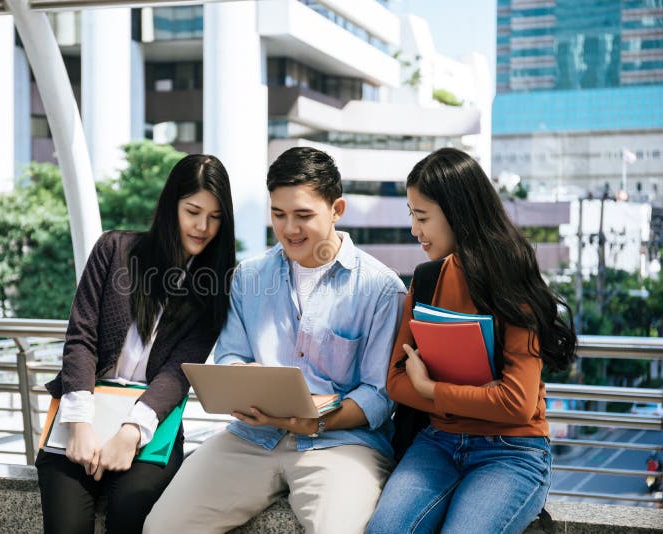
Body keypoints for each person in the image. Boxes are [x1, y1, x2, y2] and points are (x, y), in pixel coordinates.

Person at [144, 147, 407, 534]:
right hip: (252, 438)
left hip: (340, 444)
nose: (289, 229)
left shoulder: (381, 289)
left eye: (303, 215)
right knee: (162, 527)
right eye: (278, 215)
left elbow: (380, 394)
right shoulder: (249, 277)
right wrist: (239, 379)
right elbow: (232, 353)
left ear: (337, 210)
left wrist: (315, 420)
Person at [367, 148, 577, 534]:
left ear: (457, 212)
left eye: (423, 217)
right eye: (411, 216)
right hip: (439, 443)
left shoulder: (512, 284)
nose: (415, 230)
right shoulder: (426, 281)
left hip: (512, 451)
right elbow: (396, 381)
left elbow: (516, 404)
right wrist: (471, 396)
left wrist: (430, 388)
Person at [36, 154, 236, 534]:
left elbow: (180, 371)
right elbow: (80, 337)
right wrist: (79, 424)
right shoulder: (114, 250)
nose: (203, 226)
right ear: (170, 206)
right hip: (84, 410)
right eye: (193, 211)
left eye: (215, 217)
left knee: (131, 513)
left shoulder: (215, 287)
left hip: (151, 423)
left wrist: (130, 435)